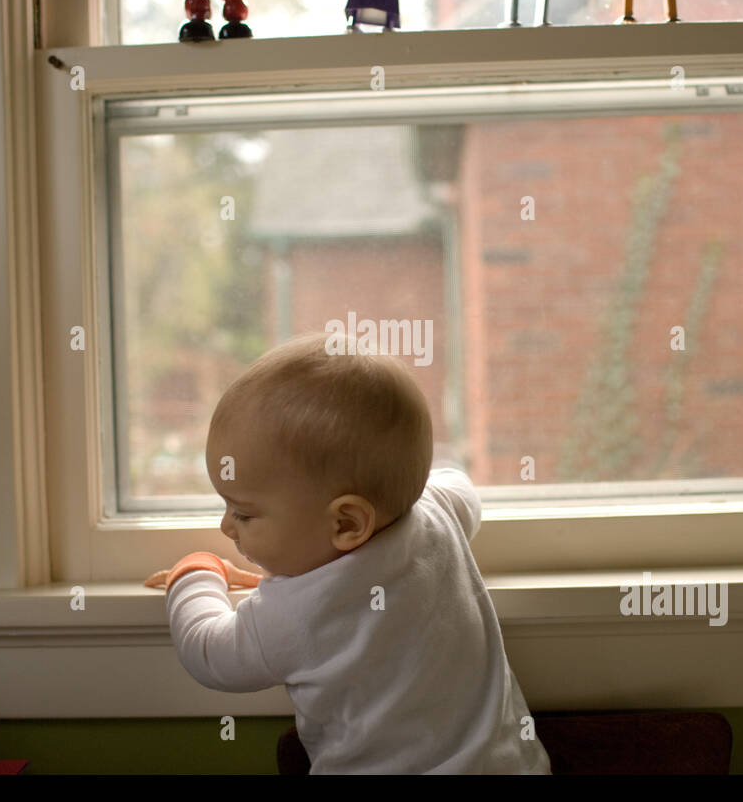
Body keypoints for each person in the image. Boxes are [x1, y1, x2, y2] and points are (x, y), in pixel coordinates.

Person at [145, 331, 551, 773]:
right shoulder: (436, 513)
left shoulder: (296, 612)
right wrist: (397, 473)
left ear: (347, 524)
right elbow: (463, 490)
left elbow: (208, 653)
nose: (226, 527)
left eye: (243, 514)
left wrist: (195, 573)